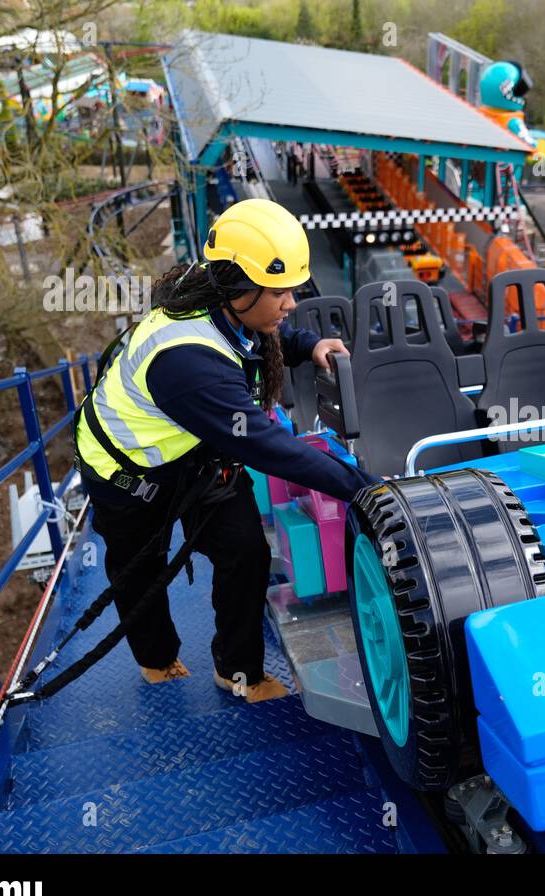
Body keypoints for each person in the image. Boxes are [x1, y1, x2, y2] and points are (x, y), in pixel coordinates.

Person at [73, 198, 377, 702]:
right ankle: (157, 660)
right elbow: (269, 447)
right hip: (127, 474)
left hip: (196, 455)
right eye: (279, 291)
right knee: (139, 573)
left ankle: (238, 672)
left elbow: (256, 333)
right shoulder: (190, 362)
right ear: (238, 285)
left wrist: (307, 346)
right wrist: (363, 487)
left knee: (245, 552)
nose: (290, 302)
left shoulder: (213, 291)